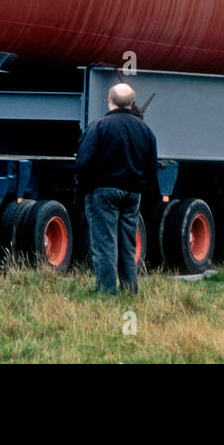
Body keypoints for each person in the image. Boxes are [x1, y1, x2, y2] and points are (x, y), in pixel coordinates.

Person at [75, 83, 158, 295]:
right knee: (128, 245)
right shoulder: (145, 131)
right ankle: (130, 290)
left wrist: (85, 189)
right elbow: (151, 166)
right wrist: (140, 187)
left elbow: (83, 162)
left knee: (105, 245)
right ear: (132, 103)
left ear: (108, 100)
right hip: (132, 194)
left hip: (103, 192)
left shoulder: (98, 126)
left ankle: (106, 293)